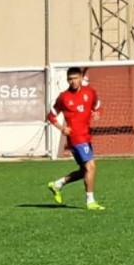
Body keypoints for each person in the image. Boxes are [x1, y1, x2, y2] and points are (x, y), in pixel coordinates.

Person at [46, 66, 104, 210]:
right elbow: (51, 116)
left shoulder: (90, 92)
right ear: (67, 80)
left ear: (80, 78)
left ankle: (58, 184)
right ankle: (90, 201)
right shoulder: (64, 97)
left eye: (75, 78)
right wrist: (62, 128)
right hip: (75, 137)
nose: (73, 81)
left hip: (86, 135)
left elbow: (97, 105)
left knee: (84, 170)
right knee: (91, 167)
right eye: (70, 79)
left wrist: (97, 112)